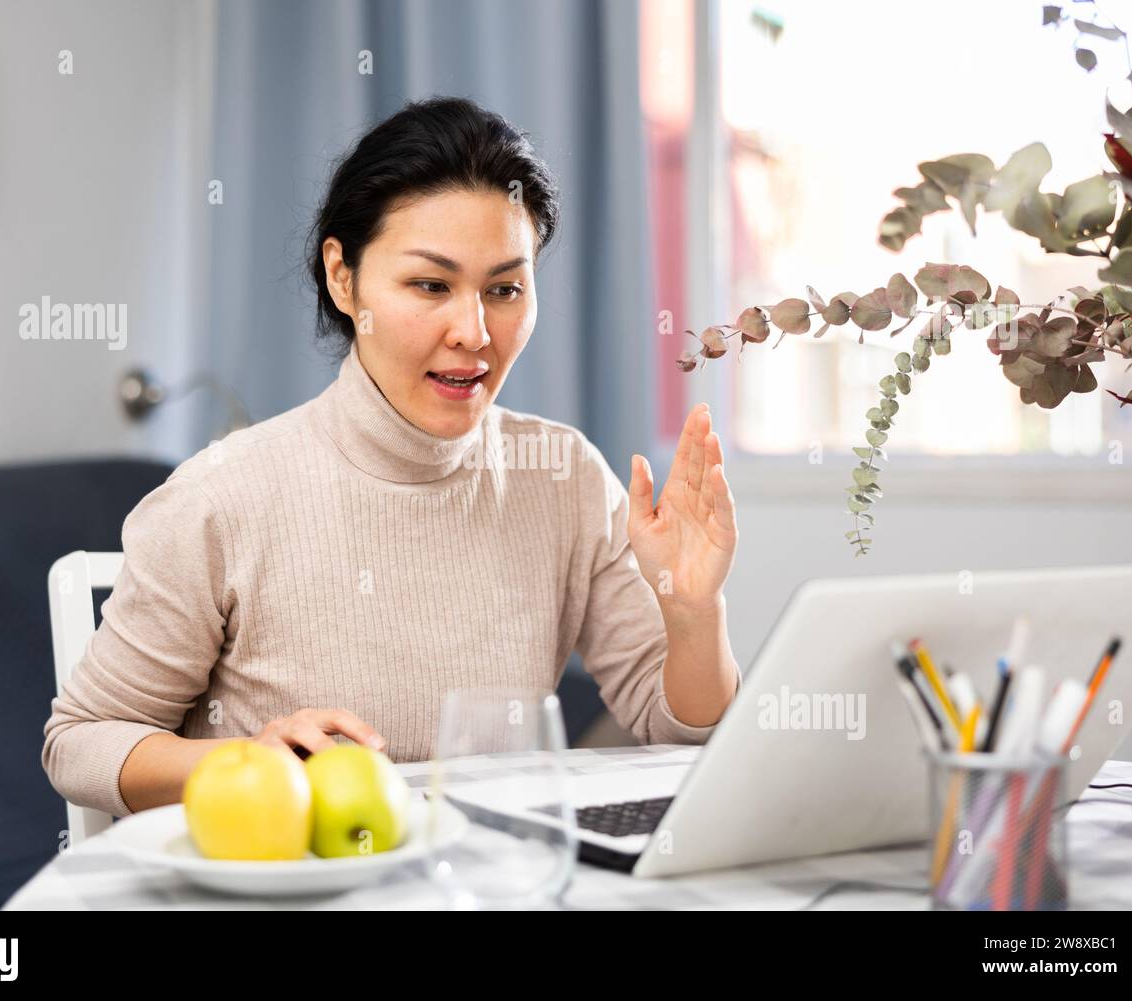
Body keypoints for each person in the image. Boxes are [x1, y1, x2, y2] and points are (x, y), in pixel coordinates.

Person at [42, 95, 740, 818]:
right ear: (343, 277)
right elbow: (81, 741)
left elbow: (681, 730)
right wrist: (247, 759)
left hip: (493, 884)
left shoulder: (563, 478)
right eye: (430, 284)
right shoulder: (221, 498)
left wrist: (692, 609)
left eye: (504, 288)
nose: (473, 332)